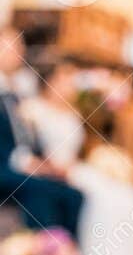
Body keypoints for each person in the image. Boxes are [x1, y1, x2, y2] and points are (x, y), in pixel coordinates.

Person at [0, 28, 85, 238]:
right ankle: (44, 250)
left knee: (74, 195)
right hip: (4, 167)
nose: (18, 53)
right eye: (10, 47)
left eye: (19, 47)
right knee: (41, 190)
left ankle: (66, 252)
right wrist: (28, 164)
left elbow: (25, 140)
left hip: (19, 164)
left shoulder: (16, 95)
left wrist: (43, 164)